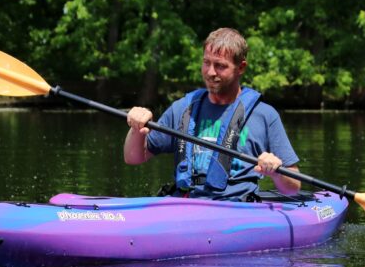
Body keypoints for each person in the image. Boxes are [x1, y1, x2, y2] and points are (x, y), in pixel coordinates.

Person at [124, 28, 301, 201]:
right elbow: (133, 158)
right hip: (186, 205)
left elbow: (293, 188)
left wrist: (276, 172)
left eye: (220, 66)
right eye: (206, 62)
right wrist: (136, 128)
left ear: (241, 68)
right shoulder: (182, 109)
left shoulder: (264, 115)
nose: (210, 72)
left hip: (238, 209)